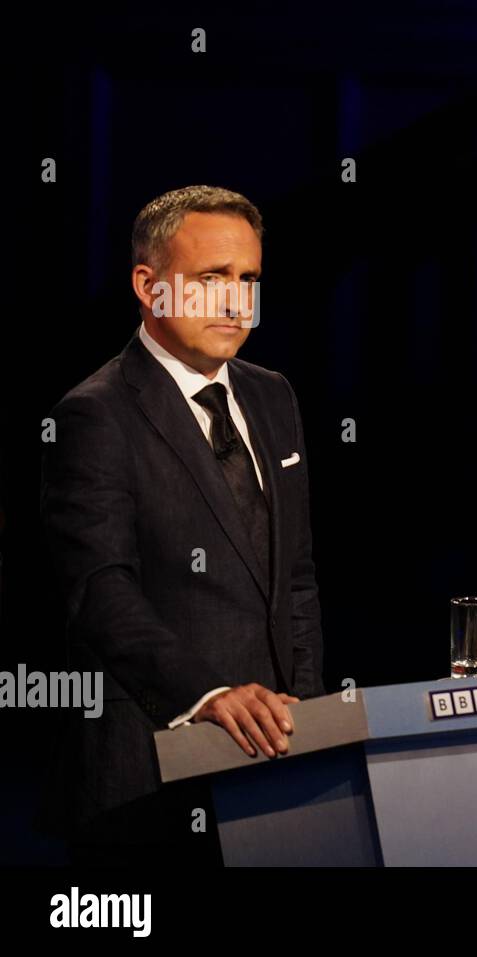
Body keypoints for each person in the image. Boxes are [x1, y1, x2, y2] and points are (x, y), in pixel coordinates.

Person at [40, 185, 326, 865]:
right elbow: (100, 591)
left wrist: (310, 717)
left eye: (249, 279)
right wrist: (207, 695)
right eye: (211, 278)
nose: (235, 300)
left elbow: (298, 579)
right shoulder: (94, 414)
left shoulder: (272, 392)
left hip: (276, 764)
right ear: (148, 284)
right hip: (148, 778)